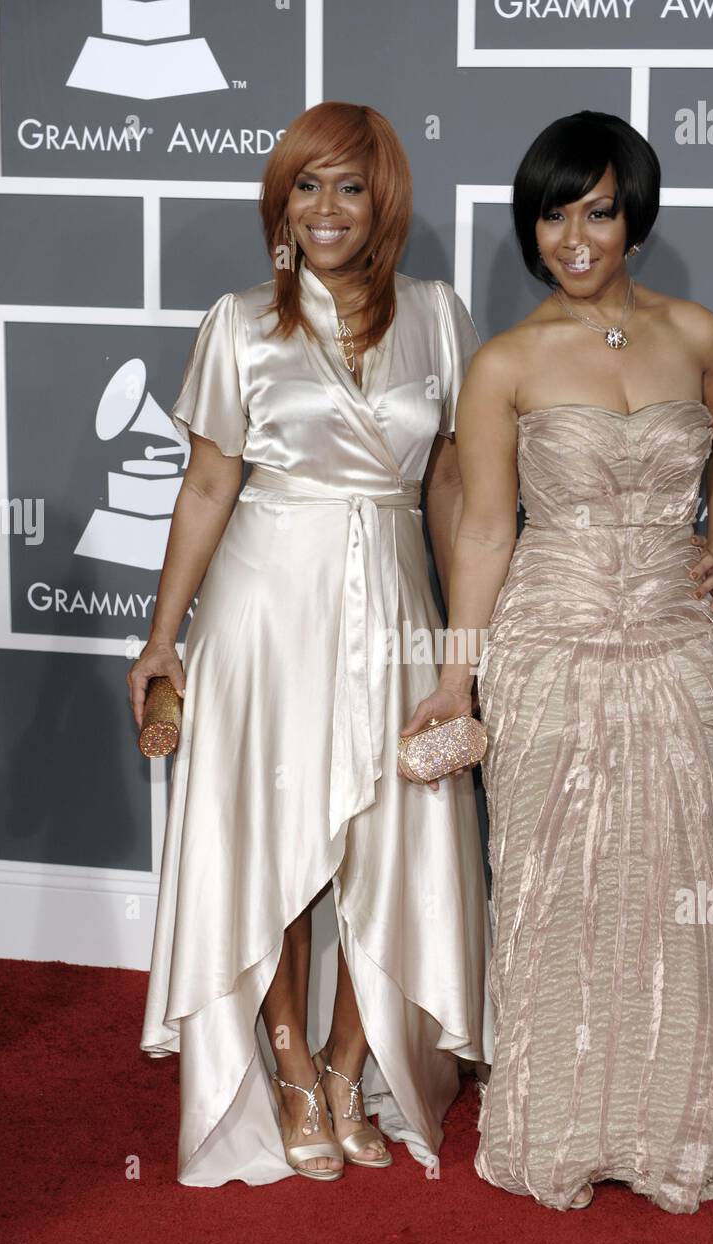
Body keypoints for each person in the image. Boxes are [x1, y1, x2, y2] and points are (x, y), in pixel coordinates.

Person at [401, 110, 713, 1214]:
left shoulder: (699, 339)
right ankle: (556, 1120)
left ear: (632, 217)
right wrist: (460, 672)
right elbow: (480, 528)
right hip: (546, 645)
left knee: (671, 877)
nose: (572, 236)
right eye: (551, 214)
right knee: (551, 886)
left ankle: (670, 1125)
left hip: (671, 648)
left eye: (595, 210)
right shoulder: (502, 362)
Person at [131, 101, 488, 1186]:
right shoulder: (238, 322)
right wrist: (160, 641)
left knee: (388, 840)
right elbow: (205, 486)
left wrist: (455, 649)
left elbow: (451, 495)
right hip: (263, 605)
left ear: (384, 201)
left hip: (392, 607)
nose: (325, 208)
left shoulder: (437, 315)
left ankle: (349, 1065)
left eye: (347, 185)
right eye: (304, 186)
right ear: (278, 206)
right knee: (274, 842)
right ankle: (286, 1060)